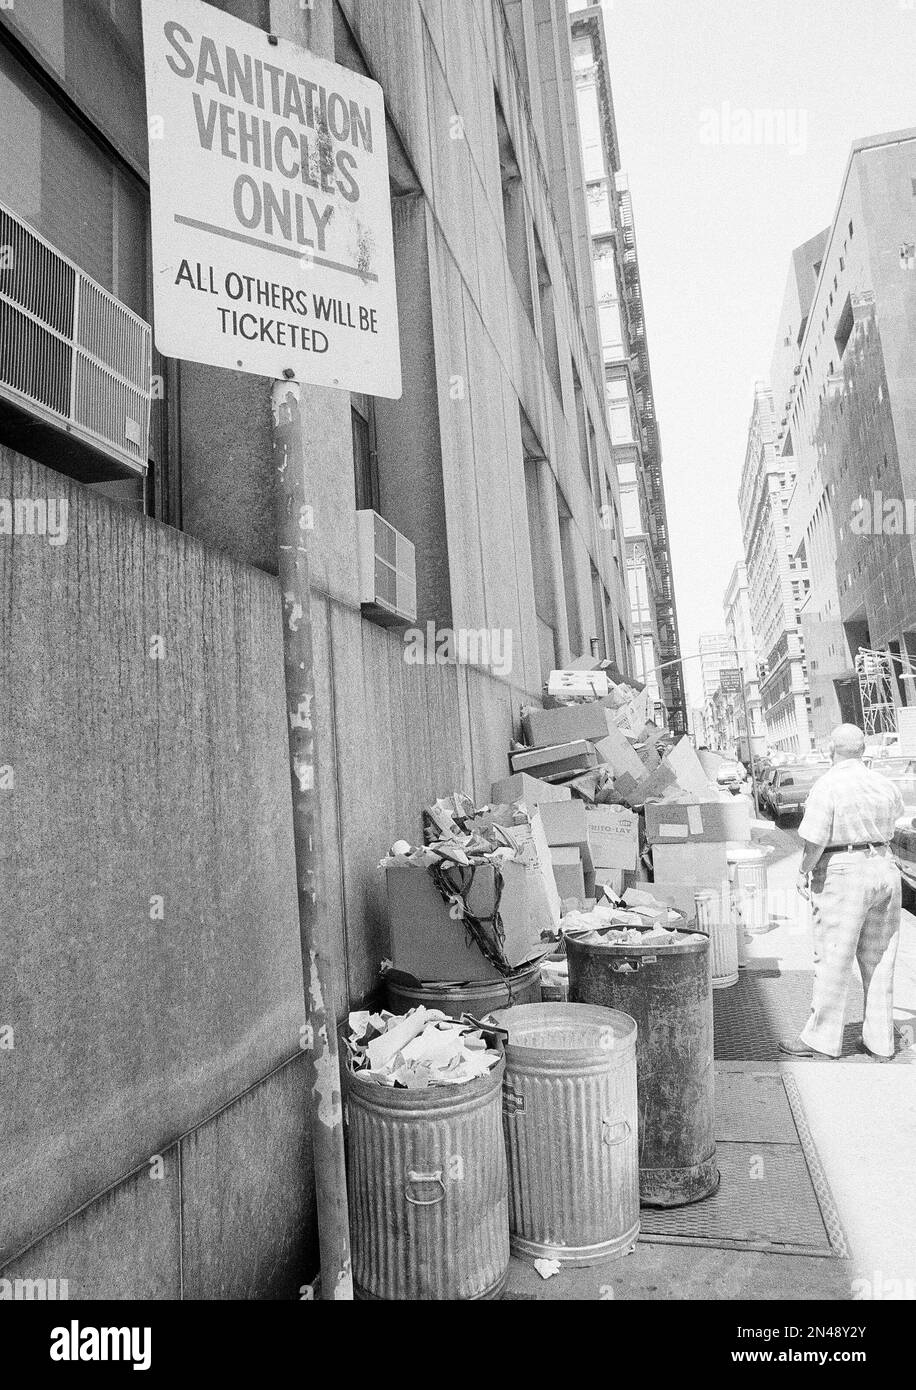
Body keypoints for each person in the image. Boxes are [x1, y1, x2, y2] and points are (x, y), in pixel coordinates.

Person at [779, 723, 903, 1062]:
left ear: (830, 750)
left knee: (833, 956)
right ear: (863, 750)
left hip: (844, 871)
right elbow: (895, 820)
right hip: (884, 866)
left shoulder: (828, 785)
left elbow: (815, 840)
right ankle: (880, 1041)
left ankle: (821, 1039)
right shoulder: (883, 783)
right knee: (880, 958)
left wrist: (804, 871)